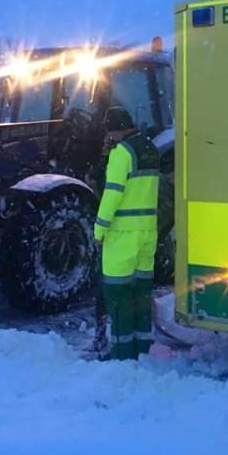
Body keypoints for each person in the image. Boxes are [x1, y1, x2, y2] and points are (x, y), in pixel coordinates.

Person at [94, 106, 160, 360]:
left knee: (119, 297)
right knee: (141, 294)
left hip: (122, 235)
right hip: (147, 233)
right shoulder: (149, 149)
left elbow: (112, 193)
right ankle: (142, 350)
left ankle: (122, 355)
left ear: (114, 129)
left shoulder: (122, 153)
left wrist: (99, 230)